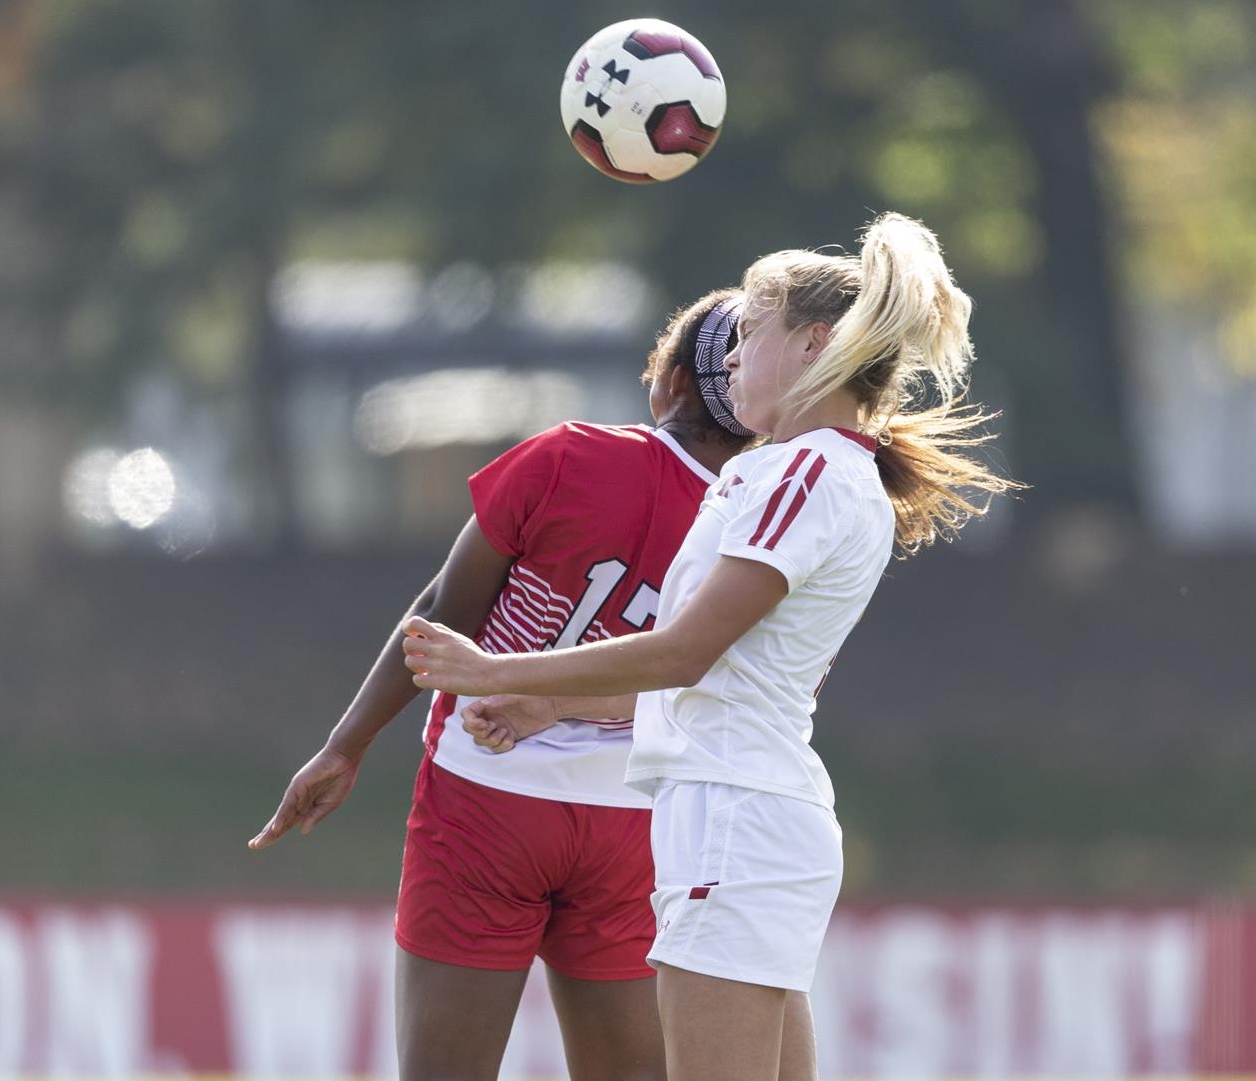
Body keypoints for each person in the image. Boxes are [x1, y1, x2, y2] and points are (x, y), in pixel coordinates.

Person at [402, 212, 1019, 1081]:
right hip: (754, 818)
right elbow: (720, 670)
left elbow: (682, 651)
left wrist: (494, 669)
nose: (727, 357)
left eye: (748, 332)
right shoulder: (812, 469)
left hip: (730, 819)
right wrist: (553, 702)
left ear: (812, 344)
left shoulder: (803, 471)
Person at [248, 288, 754, 1081]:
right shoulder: (761, 523)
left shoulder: (566, 455)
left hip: (487, 798)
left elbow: (444, 611)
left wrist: (345, 745)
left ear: (666, 386)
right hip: (637, 817)